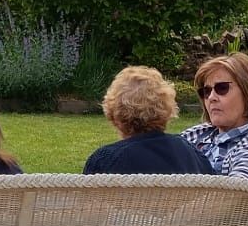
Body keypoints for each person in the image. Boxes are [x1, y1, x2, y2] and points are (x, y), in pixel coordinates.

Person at [85, 66, 216, 175]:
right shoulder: (192, 155)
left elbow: (86, 204)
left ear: (113, 114)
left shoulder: (104, 161)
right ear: (167, 108)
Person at [178, 53, 248, 182]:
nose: (211, 97)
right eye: (206, 91)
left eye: (222, 88)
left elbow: (239, 196)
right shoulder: (197, 133)